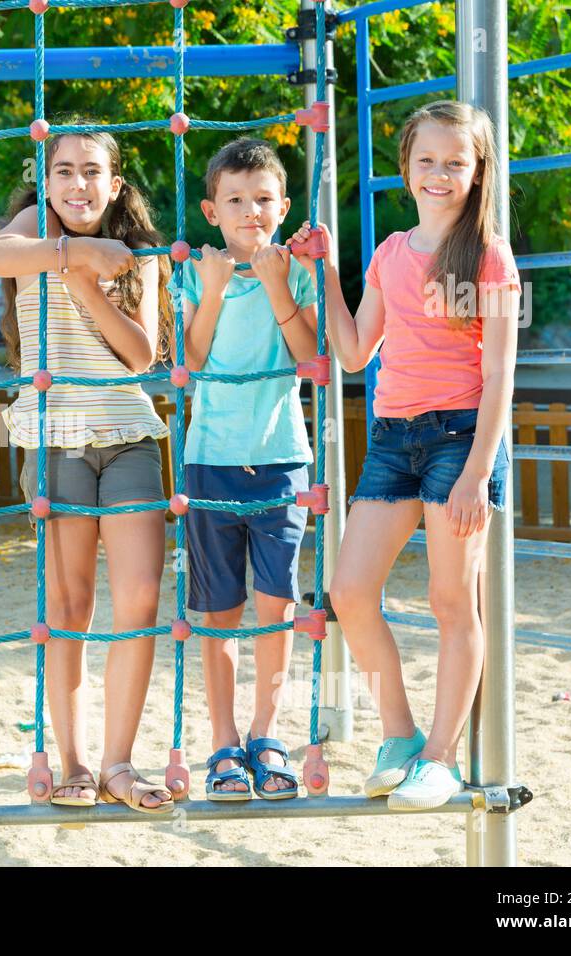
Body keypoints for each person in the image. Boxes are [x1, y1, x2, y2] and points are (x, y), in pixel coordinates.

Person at [291, 100, 519, 810]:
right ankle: (400, 735)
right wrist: (324, 272)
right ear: (406, 167)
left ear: (478, 172)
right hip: (393, 440)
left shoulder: (488, 255)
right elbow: (356, 351)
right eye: (427, 159)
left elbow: (500, 375)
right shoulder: (391, 253)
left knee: (451, 601)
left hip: (460, 441)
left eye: (456, 161)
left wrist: (479, 471)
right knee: (350, 592)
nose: (440, 172)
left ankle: (442, 758)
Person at [0, 122, 176, 814]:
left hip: (126, 437)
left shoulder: (139, 256)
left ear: (114, 184)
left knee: (141, 598)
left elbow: (141, 354)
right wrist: (69, 252)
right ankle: (76, 762)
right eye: (63, 171)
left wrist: (88, 282)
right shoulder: (35, 231)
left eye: (92, 171)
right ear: (46, 181)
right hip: (55, 438)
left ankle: (119, 760)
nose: (77, 184)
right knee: (68, 607)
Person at [173, 138, 318, 801]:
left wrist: (281, 282)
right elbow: (193, 359)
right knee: (218, 610)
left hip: (283, 457)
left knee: (277, 602)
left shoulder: (299, 270)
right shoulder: (195, 275)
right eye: (235, 200)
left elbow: (310, 354)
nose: (250, 211)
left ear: (282, 205)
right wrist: (210, 289)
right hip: (211, 462)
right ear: (213, 210)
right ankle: (224, 740)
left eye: (263, 199)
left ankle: (267, 730)